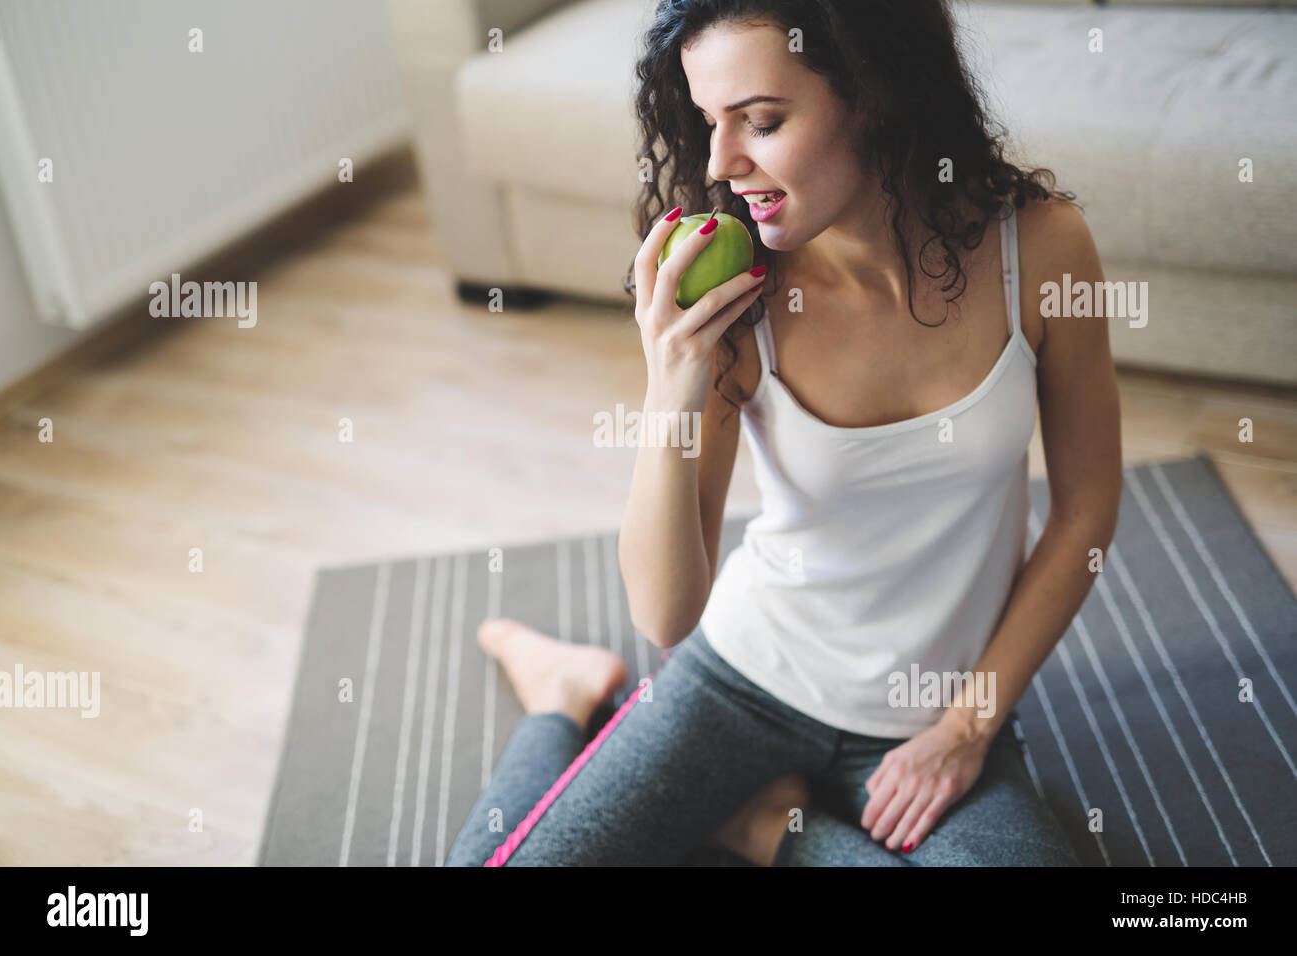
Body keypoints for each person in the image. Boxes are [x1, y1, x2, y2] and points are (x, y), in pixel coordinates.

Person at [446, 0, 1121, 866]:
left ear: (874, 96)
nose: (725, 165)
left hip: (934, 704)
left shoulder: (1044, 250)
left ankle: (766, 827)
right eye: (708, 123)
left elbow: (1086, 510)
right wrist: (672, 386)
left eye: (761, 122)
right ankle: (562, 694)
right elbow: (665, 612)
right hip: (747, 679)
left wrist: (966, 726)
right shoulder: (741, 297)